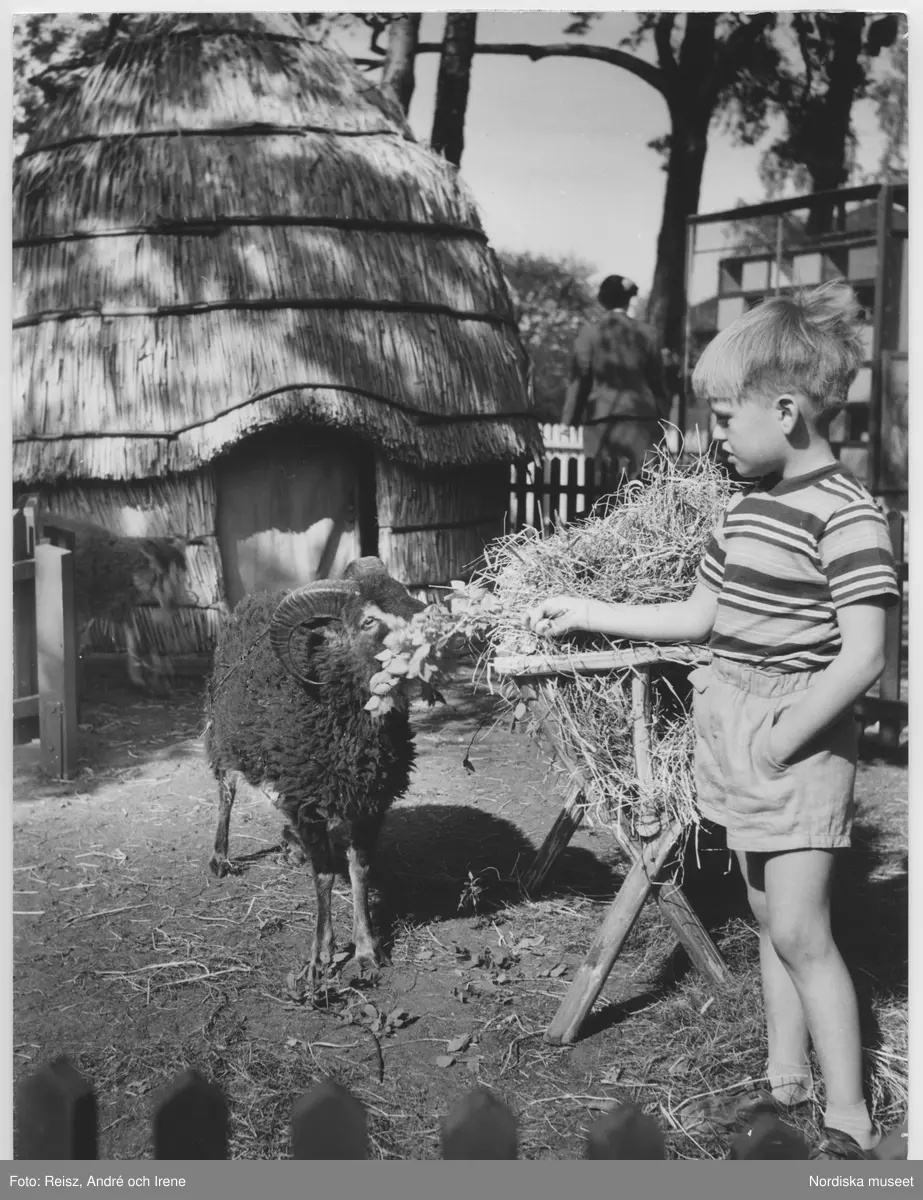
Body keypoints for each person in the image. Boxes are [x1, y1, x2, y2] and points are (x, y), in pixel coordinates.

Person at [526, 280, 899, 1160]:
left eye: (725, 417)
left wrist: (783, 735)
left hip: (793, 739)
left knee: (803, 929)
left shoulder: (848, 517)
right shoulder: (742, 510)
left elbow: (864, 655)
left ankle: (848, 1113)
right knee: (768, 917)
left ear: (786, 410)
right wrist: (584, 607)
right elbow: (698, 620)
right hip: (729, 720)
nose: (714, 434)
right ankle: (782, 1082)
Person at [561, 274, 670, 495]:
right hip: (641, 420)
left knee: (602, 490)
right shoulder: (648, 334)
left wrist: (568, 420)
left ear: (602, 300)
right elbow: (657, 380)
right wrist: (664, 417)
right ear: (628, 300)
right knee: (644, 489)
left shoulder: (589, 334)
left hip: (601, 420)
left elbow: (580, 379)